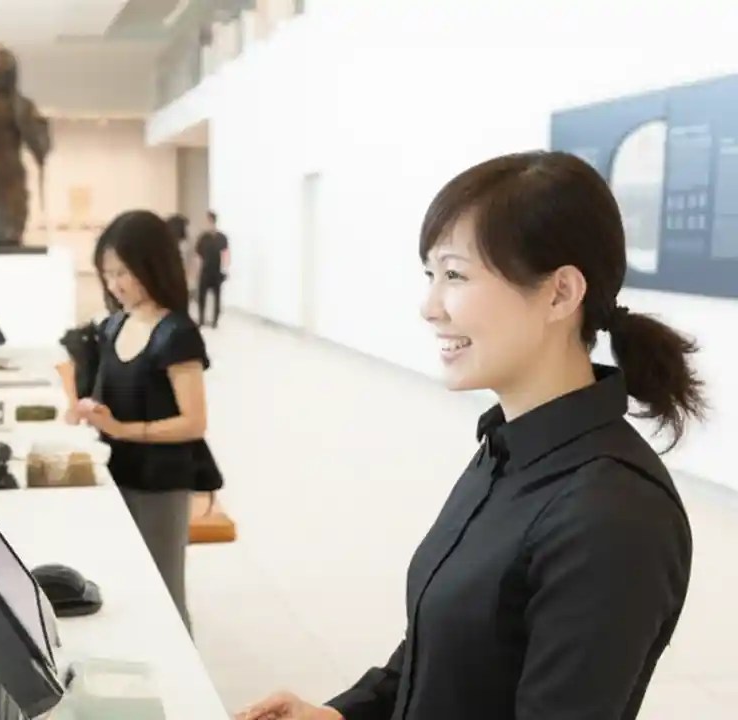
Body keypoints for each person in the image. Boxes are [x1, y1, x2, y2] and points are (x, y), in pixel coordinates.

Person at [236, 151, 699, 720]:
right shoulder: (507, 448)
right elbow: (447, 651)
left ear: (560, 293)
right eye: (430, 275)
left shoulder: (611, 514)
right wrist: (342, 716)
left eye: (455, 275)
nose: (430, 307)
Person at [73, 210, 220, 633]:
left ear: (152, 266)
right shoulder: (116, 324)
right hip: (115, 471)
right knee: (126, 588)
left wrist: (125, 430)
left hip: (159, 481)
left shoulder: (176, 333)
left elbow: (193, 422)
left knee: (164, 592)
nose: (115, 284)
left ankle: (184, 695)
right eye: (108, 273)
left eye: (124, 272)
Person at [195, 210, 229, 328]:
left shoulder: (222, 237)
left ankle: (215, 321)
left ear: (212, 221)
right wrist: (197, 271)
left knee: (217, 297)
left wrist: (225, 269)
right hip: (205, 271)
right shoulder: (203, 238)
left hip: (216, 271)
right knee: (201, 296)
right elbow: (198, 256)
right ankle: (201, 319)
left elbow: (225, 253)